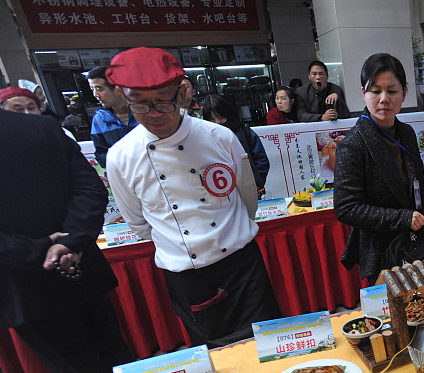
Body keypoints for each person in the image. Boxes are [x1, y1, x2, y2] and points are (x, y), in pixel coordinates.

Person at [0, 55, 133, 373]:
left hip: (16, 285)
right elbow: (90, 189)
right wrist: (71, 241)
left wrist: (38, 249)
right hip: (78, 267)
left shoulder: (40, 126)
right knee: (120, 365)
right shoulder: (39, 127)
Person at [105, 47, 282, 348]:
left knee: (270, 342)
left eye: (163, 101)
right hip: (188, 275)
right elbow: (138, 223)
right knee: (220, 355)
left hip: (242, 264)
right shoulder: (120, 156)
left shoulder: (220, 137)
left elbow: (247, 197)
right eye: (141, 105)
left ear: (183, 93)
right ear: (124, 98)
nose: (154, 114)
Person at [333, 53, 424, 285]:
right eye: (375, 91)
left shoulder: (406, 133)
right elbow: (345, 208)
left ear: (404, 93)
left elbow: (421, 182)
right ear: (363, 93)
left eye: (392, 91)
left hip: (418, 242)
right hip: (382, 251)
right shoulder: (353, 144)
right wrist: (403, 218)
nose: (384, 99)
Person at [202, 94, 270, 197]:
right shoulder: (204, 137)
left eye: (221, 118)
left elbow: (261, 160)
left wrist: (254, 183)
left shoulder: (245, 132)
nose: (217, 123)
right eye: (212, 119)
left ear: (228, 115)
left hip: (248, 190)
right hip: (220, 193)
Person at [87, 65, 138, 168]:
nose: (95, 95)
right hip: (123, 174)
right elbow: (100, 156)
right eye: (92, 89)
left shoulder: (143, 111)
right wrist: (123, 159)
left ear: (117, 89)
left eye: (99, 89)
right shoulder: (99, 119)